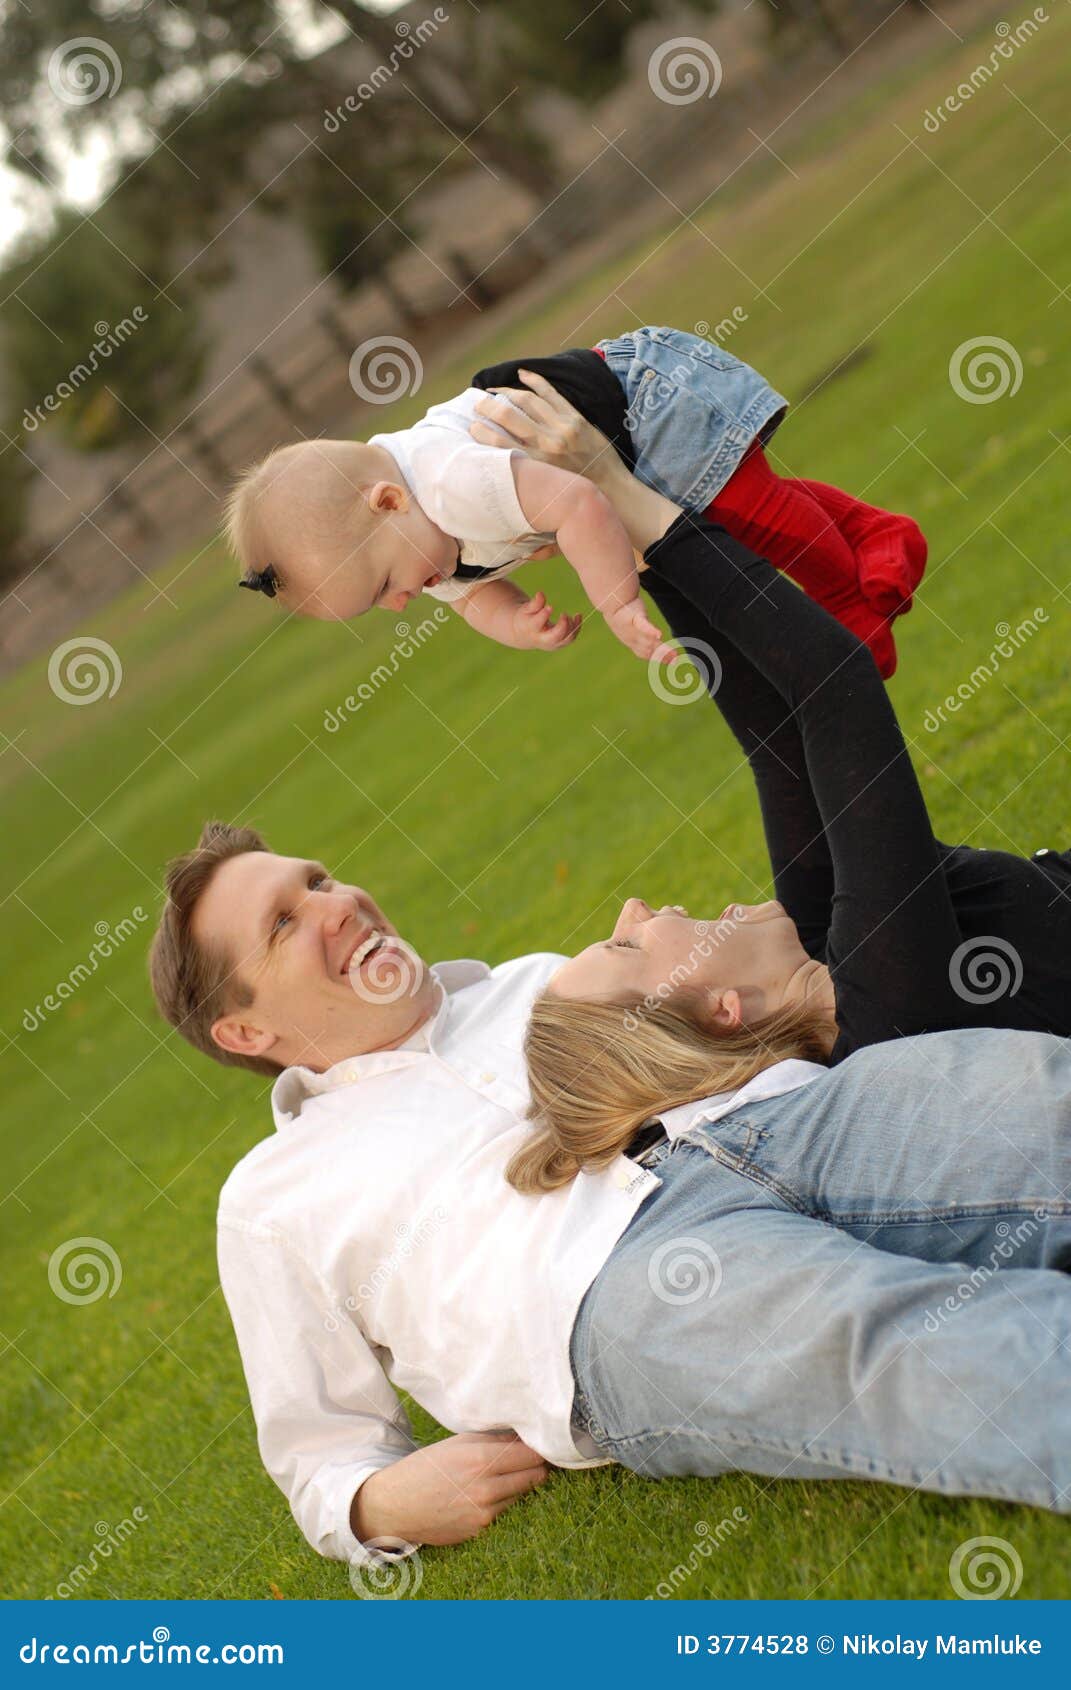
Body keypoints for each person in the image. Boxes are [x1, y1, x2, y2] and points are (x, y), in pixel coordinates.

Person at [470, 370, 1071, 1101]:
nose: (631, 908)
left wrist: (627, 537)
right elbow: (834, 690)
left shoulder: (815, 958)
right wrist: (620, 493)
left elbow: (778, 745)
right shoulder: (889, 1022)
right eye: (625, 945)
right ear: (724, 1013)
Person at [225, 327, 926, 675]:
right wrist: (514, 625)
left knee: (751, 508)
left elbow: (578, 505)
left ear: (387, 502)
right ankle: (875, 535)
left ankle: (849, 607)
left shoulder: (446, 485)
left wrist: (615, 598)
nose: (398, 603)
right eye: (377, 602)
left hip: (639, 401)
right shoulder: (415, 546)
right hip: (609, 438)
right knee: (731, 510)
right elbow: (471, 597)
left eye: (382, 586)